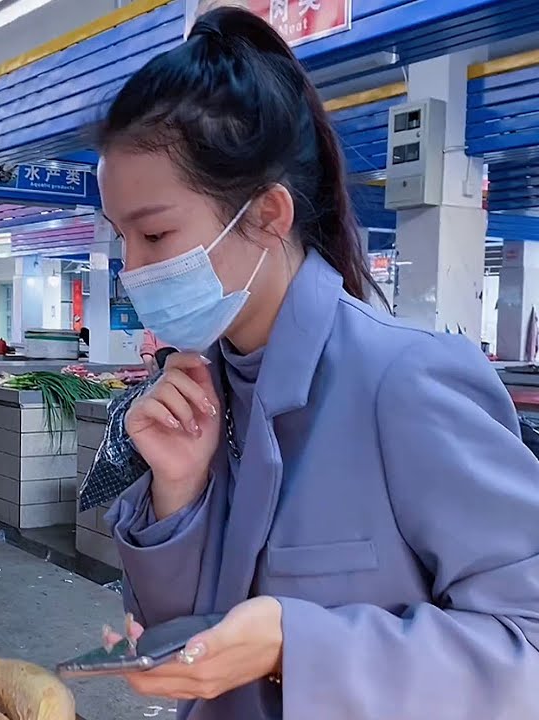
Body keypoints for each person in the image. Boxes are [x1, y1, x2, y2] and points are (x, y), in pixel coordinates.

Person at [78, 8, 539, 719]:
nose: (132, 271)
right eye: (122, 239)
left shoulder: (402, 382)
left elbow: (528, 648)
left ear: (268, 213)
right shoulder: (211, 383)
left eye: (156, 234)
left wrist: (299, 645)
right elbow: (190, 639)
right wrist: (176, 493)